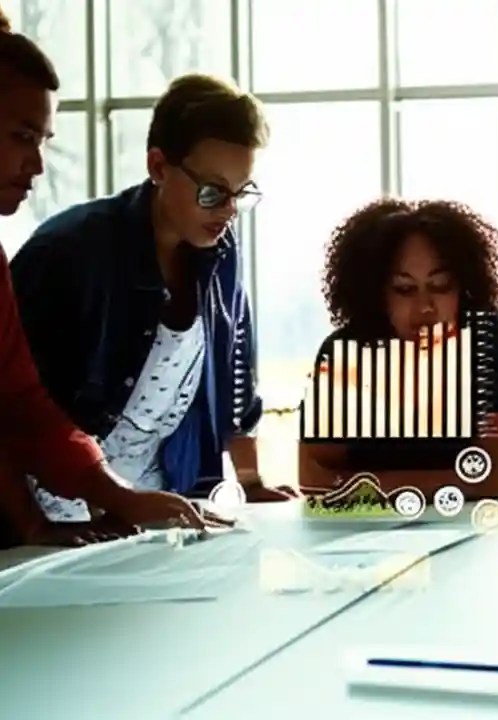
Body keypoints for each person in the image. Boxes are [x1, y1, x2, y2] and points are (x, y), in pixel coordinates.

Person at [9, 72, 296, 525]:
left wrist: (250, 480)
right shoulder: (67, 253)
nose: (226, 211)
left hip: (155, 504)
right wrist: (31, 529)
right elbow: (17, 408)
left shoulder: (219, 250)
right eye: (212, 192)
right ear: (159, 167)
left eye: (240, 195)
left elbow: (235, 359)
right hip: (56, 512)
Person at [0, 7, 211, 547]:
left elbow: (20, 402)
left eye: (43, 140)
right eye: (23, 136)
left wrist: (117, 496)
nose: (37, 165)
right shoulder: (66, 250)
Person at [298, 198, 498, 499]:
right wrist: (452, 483)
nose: (425, 307)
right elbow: (312, 479)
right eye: (404, 289)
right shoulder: (345, 352)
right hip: (362, 534)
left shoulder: (486, 339)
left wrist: (365, 485)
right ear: (376, 293)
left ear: (463, 287)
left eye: (441, 285)